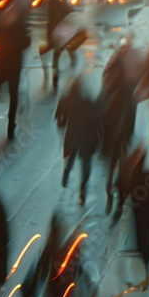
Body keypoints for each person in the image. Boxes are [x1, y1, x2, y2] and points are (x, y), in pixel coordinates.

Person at [56, 76, 101, 204]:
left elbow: (61, 121)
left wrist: (62, 122)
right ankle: (83, 190)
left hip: (73, 135)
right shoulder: (89, 102)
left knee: (71, 157)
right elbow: (97, 121)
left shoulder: (67, 99)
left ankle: (67, 172)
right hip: (87, 138)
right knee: (86, 165)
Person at [0, 5, 31, 141]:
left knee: (3, 89)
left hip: (2, 63)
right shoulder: (20, 24)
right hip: (14, 65)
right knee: (14, 95)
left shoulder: (1, 23)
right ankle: (11, 124)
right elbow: (27, 42)